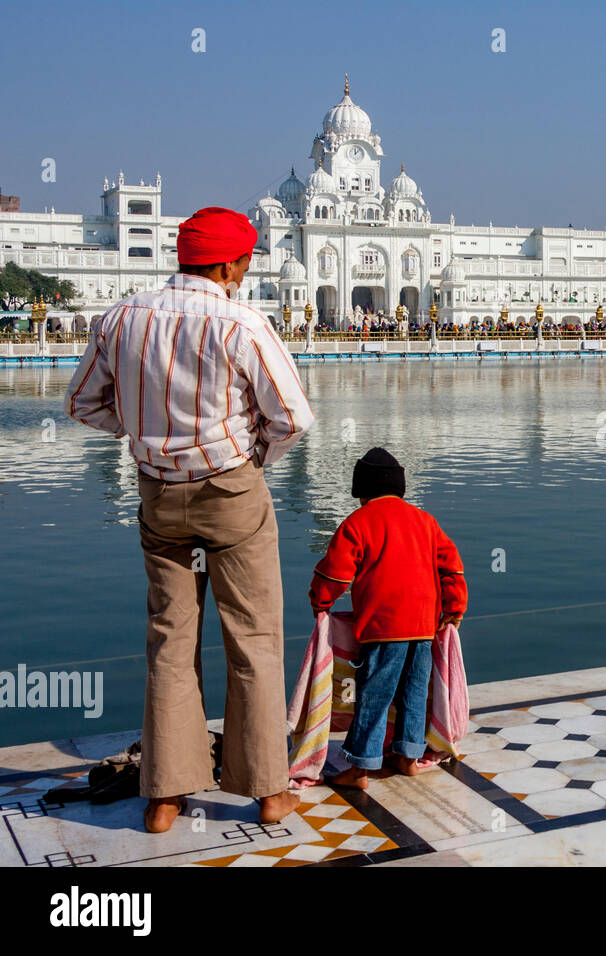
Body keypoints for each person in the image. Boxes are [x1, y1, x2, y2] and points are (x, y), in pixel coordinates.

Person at [65, 206, 315, 833]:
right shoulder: (242, 323)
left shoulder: (124, 316)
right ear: (233, 264)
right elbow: (293, 417)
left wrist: (142, 431)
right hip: (232, 496)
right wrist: (251, 456)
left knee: (170, 640)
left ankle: (165, 799)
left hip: (158, 496)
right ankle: (267, 792)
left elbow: (81, 403)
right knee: (253, 640)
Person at [309, 448, 468, 790]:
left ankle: (361, 767)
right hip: (426, 623)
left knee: (375, 694)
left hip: (383, 626)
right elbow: (451, 566)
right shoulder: (425, 521)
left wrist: (319, 601)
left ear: (361, 492)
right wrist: (454, 608)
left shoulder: (358, 522)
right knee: (413, 688)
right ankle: (408, 757)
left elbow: (336, 574)